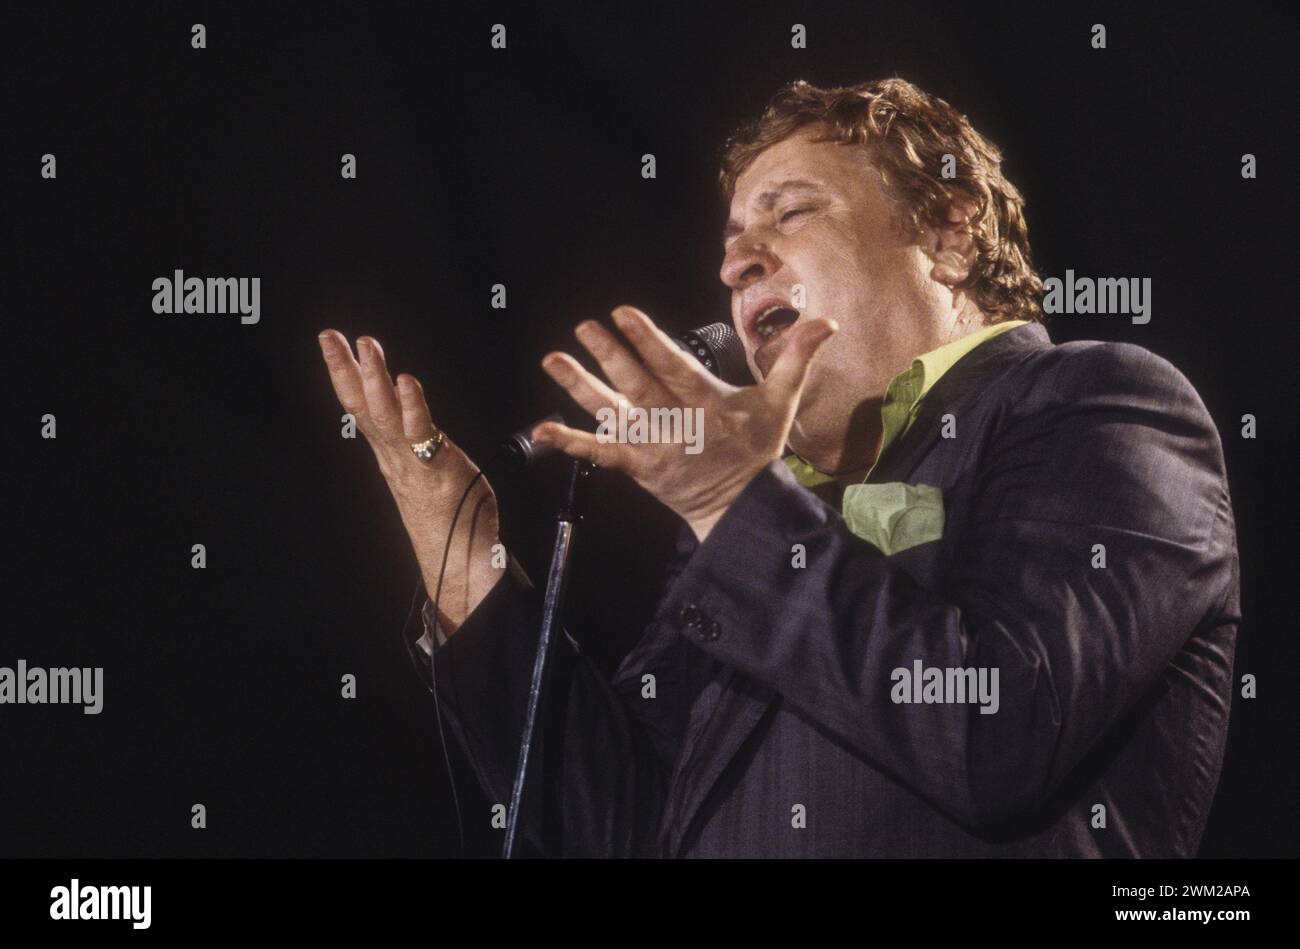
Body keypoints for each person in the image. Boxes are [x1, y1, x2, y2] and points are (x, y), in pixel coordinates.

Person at [316, 78, 1239, 857]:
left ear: (952, 233)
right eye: (728, 245)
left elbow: (997, 727)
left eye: (790, 211)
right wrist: (466, 557)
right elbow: (619, 829)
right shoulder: (759, 520)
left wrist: (732, 500)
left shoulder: (1101, 404)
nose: (735, 263)